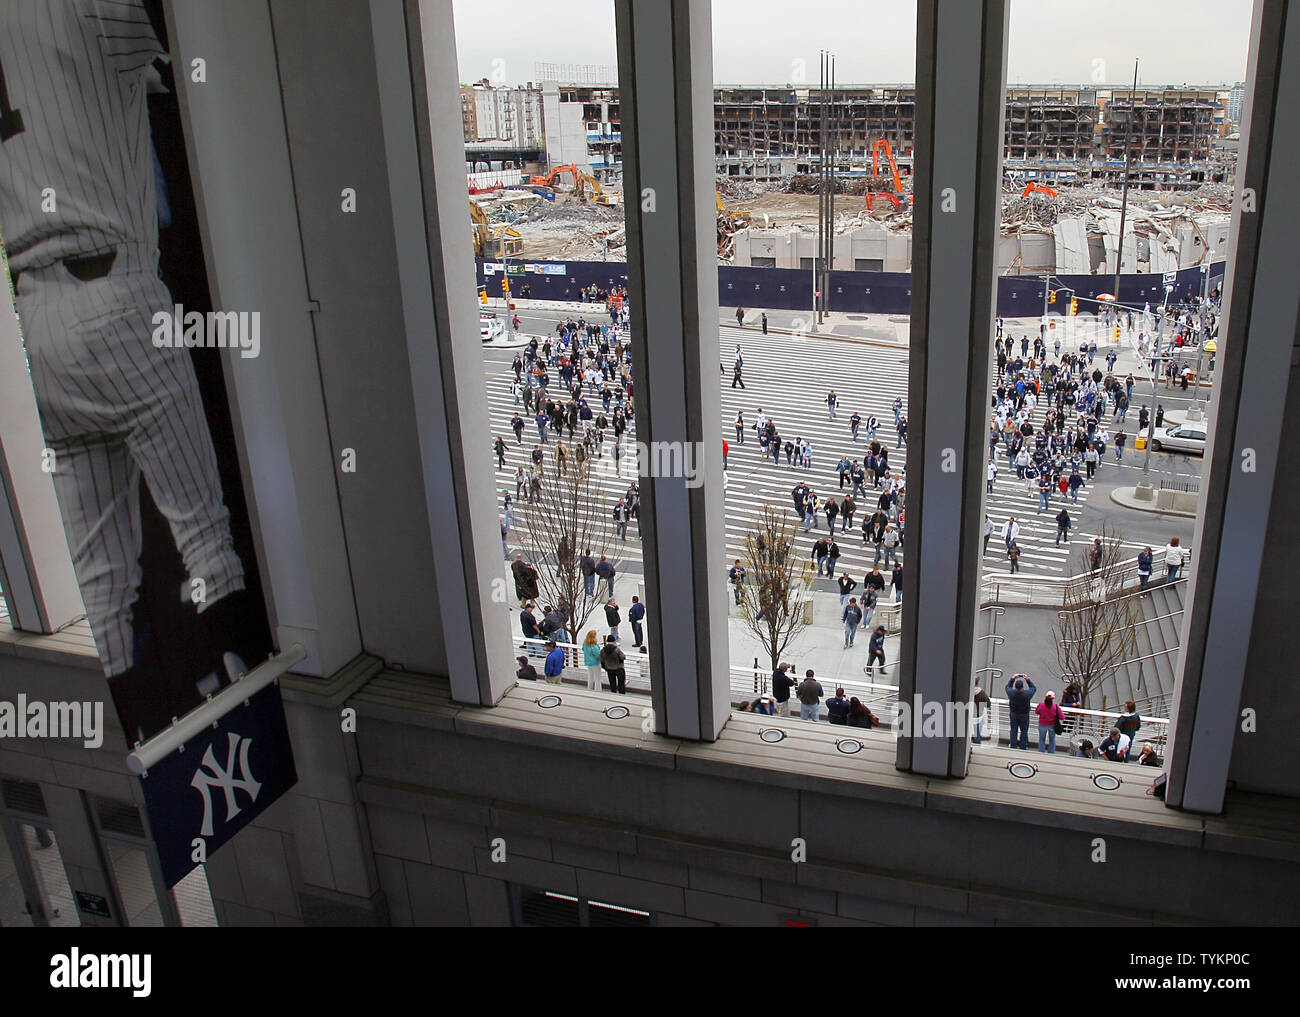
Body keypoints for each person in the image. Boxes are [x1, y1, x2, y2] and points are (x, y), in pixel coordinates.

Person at [1005, 674, 1036, 750]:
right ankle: (1023, 746)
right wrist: (1028, 680)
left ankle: (1013, 745)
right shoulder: (1027, 694)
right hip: (1024, 714)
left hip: (1013, 713)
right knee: (1024, 731)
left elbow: (1007, 687)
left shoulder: (1011, 693)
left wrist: (1012, 679)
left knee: (1013, 730)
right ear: (1022, 687)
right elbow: (1033, 688)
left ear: (1015, 686)